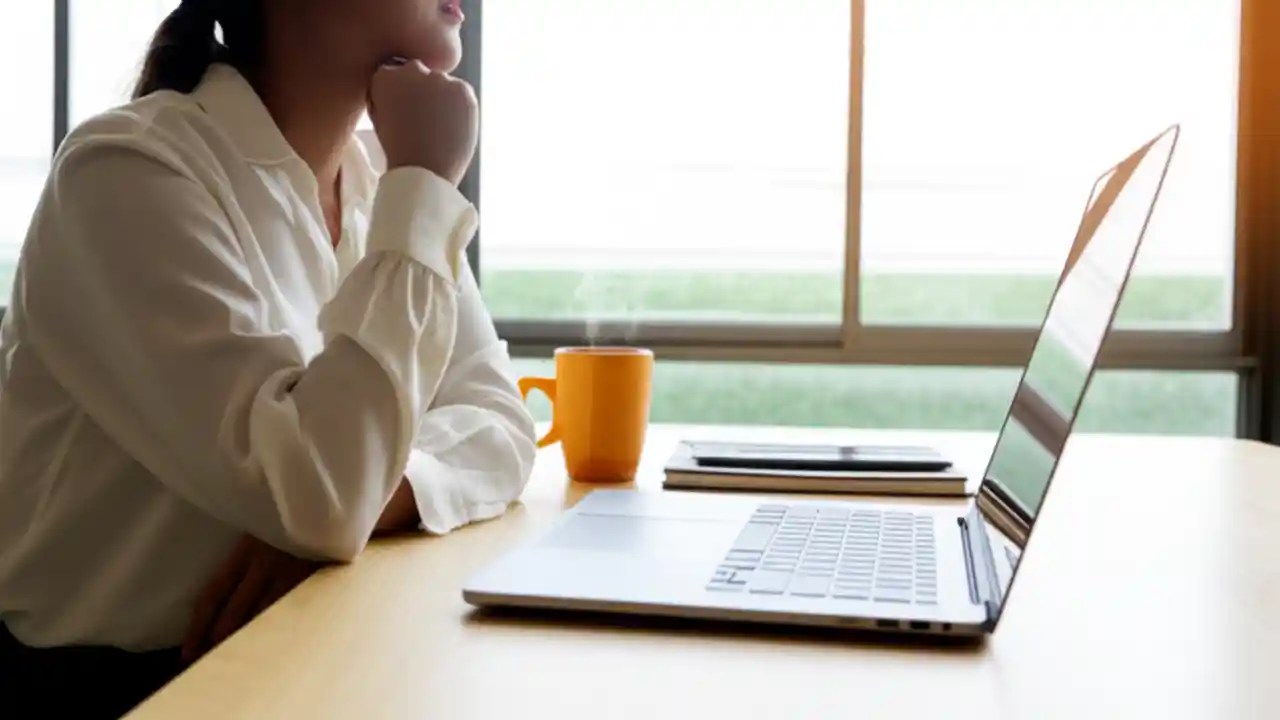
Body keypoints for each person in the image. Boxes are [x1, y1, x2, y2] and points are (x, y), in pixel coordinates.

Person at [0, 0, 536, 715]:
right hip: (122, 688)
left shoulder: (379, 181)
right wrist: (329, 502)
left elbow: (500, 423)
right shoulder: (128, 172)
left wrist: (370, 499)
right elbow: (323, 493)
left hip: (304, 644)